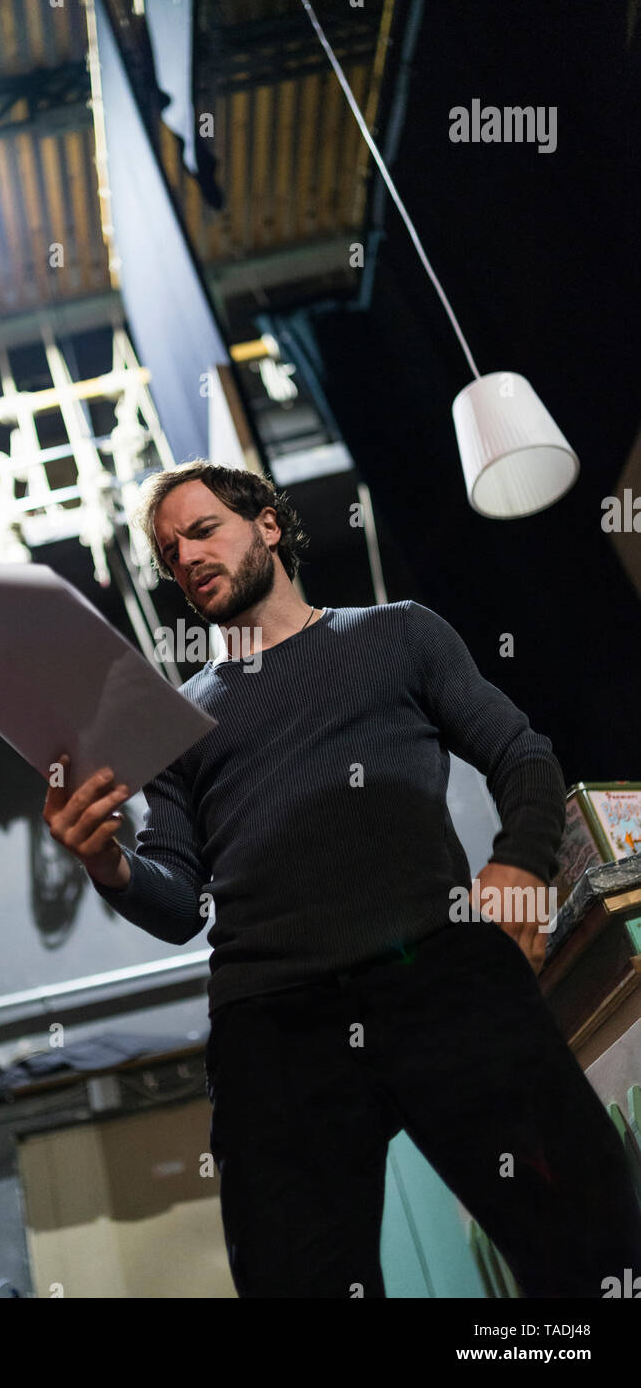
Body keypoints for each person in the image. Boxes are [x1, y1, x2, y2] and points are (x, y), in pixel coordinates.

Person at [43, 459, 641, 1298]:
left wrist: (519, 863)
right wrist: (107, 864)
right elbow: (179, 904)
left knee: (592, 1246)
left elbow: (522, 754)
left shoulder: (398, 634)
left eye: (203, 529)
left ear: (268, 525)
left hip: (437, 970)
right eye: (170, 553)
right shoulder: (177, 725)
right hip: (273, 1026)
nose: (186, 558)